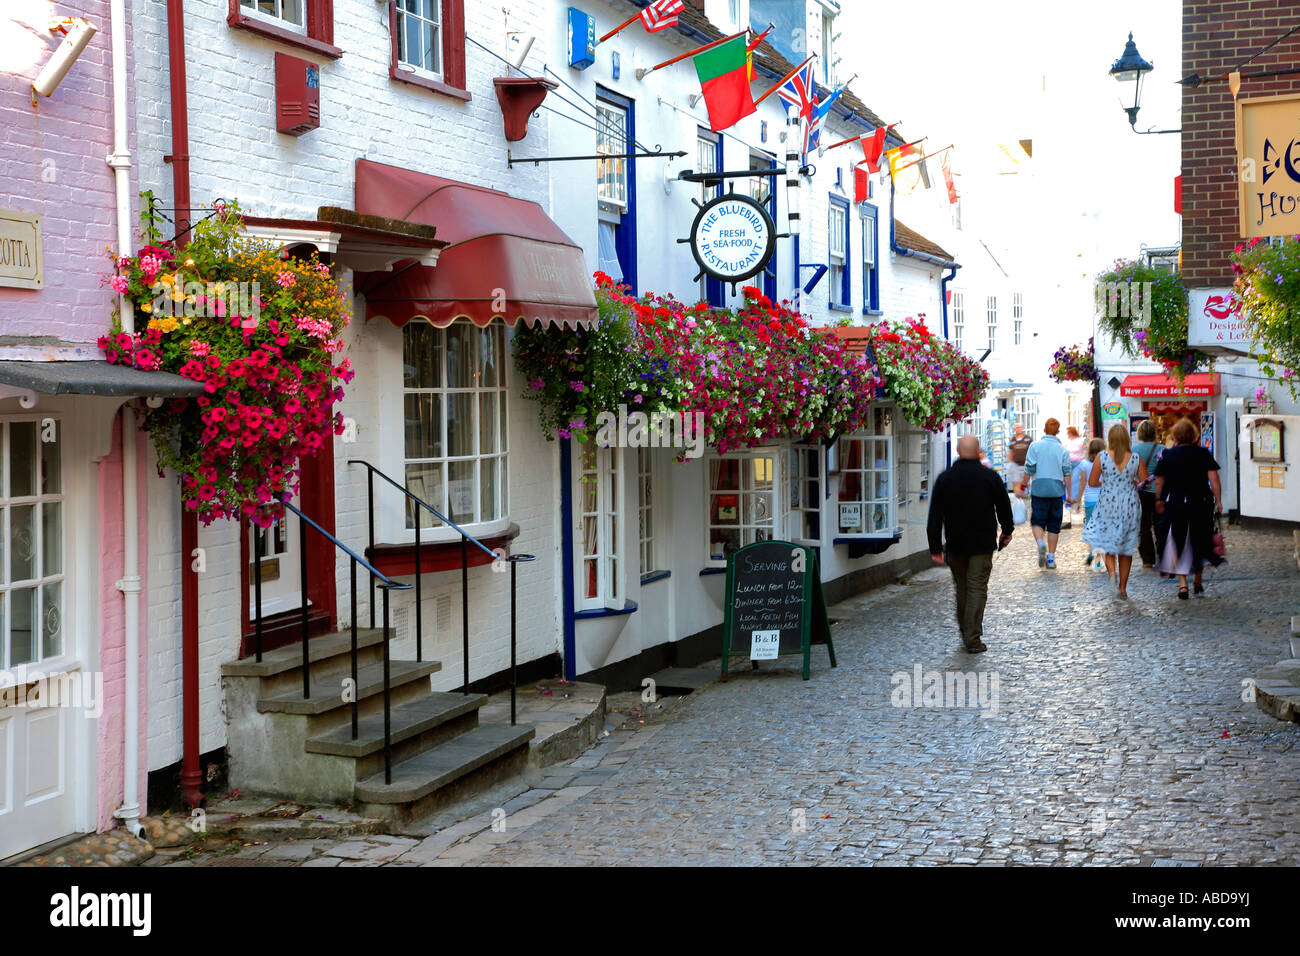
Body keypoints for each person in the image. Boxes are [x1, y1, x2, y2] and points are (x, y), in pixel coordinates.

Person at [927, 435, 1015, 653]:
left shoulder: (945, 479)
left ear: (957, 450)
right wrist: (1007, 531)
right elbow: (1004, 507)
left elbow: (935, 516)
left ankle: (966, 631)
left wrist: (935, 547)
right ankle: (972, 638)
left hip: (956, 544)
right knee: (976, 588)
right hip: (982, 543)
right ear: (978, 452)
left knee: (962, 588)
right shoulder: (989, 477)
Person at [1154, 417, 1225, 598]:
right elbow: (1214, 480)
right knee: (1200, 540)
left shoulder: (1167, 455)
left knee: (1177, 541)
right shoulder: (1203, 453)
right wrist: (1218, 500)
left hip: (1176, 504)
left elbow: (1159, 481)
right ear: (1193, 435)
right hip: (1200, 503)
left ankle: (1183, 584)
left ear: (1175, 436)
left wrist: (1159, 500)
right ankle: (1198, 580)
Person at [1082, 423, 1147, 599]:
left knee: (1107, 542)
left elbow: (1092, 482)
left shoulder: (1102, 457)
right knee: (1126, 548)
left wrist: (1108, 482)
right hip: (1129, 505)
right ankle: (1123, 588)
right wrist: (1131, 482)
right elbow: (1144, 482)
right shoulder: (1135, 458)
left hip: (1107, 504)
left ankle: (1112, 574)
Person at [1024, 418, 1072, 569]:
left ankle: (1040, 543)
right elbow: (1067, 473)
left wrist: (1022, 485)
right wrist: (1069, 494)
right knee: (1053, 524)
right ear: (1058, 431)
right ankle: (1051, 558)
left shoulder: (1034, 446)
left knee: (1037, 521)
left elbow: (1029, 468)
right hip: (1056, 490)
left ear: (1044, 430)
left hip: (1039, 489)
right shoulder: (1062, 450)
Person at [1132, 420, 1162, 568]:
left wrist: (1135, 483)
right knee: (1161, 524)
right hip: (1160, 491)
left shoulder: (1134, 450)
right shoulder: (1163, 449)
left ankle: (1148, 559)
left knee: (1144, 526)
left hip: (1142, 492)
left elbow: (1129, 472)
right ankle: (1164, 554)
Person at [1074, 437, 1105, 568]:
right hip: (1105, 499)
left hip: (1090, 500)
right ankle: (1099, 558)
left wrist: (1078, 500)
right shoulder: (1106, 462)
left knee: (1091, 528)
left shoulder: (1084, 464)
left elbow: (1082, 483)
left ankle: (1093, 552)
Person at [1064, 426, 1087, 515]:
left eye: (1068, 433)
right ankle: (1070, 500)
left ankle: (1075, 501)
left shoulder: (1079, 441)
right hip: (1069, 463)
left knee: (1075, 481)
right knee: (1068, 482)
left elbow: (1083, 450)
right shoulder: (1067, 441)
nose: (1067, 435)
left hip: (1078, 463)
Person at [1007, 423, 1032, 498]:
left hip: (1025, 464)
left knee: (1025, 481)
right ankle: (1018, 497)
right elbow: (1010, 452)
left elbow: (1031, 451)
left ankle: (1025, 494)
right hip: (1015, 464)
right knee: (1015, 481)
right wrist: (1010, 462)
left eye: (1019, 427)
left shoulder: (1028, 439)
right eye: (1016, 427)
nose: (1018, 429)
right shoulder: (1012, 439)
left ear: (1022, 428)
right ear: (1014, 429)